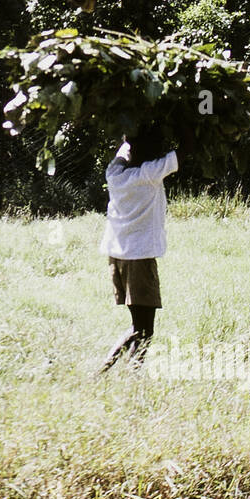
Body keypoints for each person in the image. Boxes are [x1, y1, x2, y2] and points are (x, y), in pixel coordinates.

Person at [98, 122, 193, 373]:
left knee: (138, 325)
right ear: (150, 151)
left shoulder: (115, 173)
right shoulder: (149, 174)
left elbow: (124, 148)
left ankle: (127, 373)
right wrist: (191, 121)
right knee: (144, 329)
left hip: (118, 256)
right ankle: (108, 372)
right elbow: (186, 150)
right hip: (139, 257)